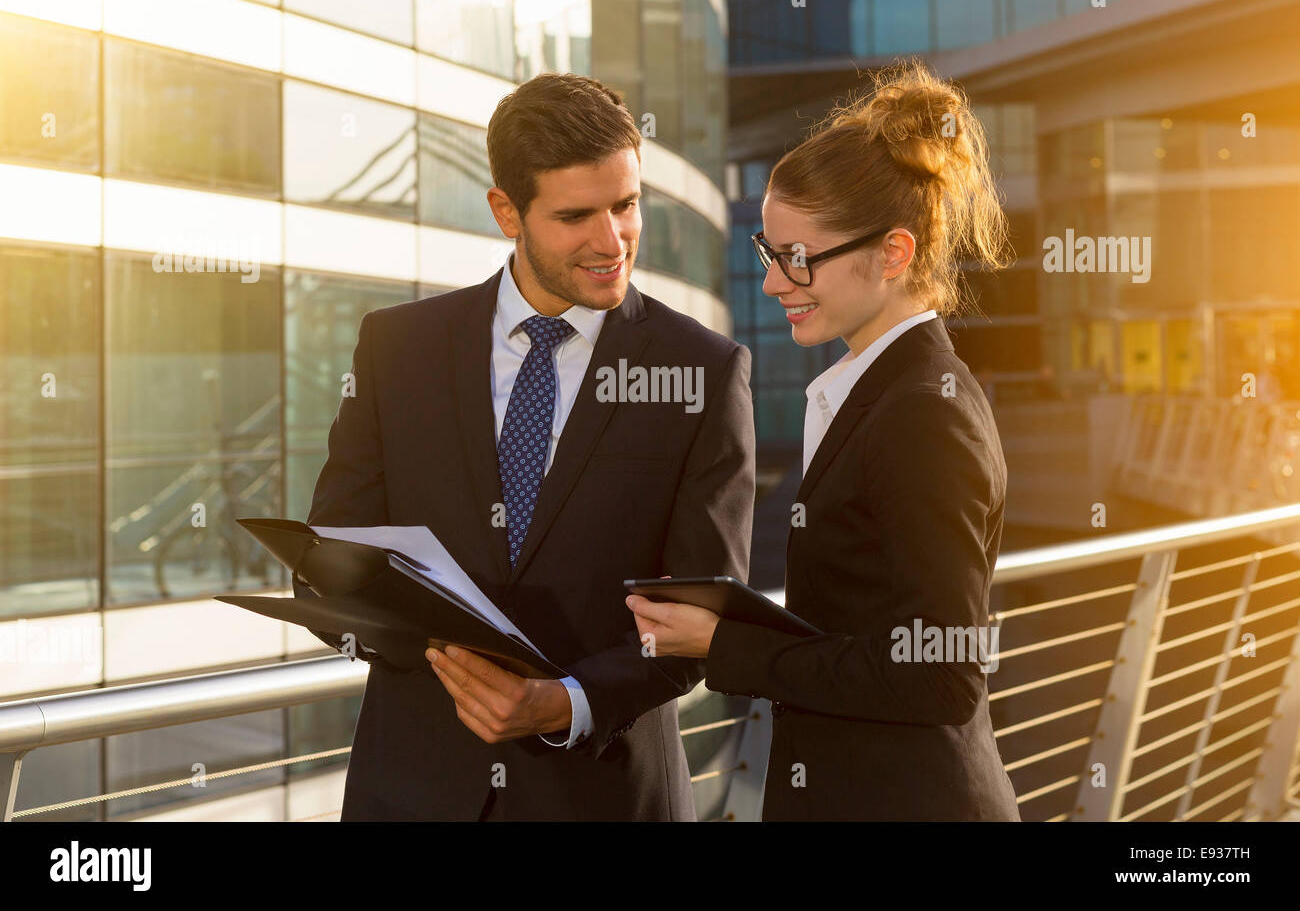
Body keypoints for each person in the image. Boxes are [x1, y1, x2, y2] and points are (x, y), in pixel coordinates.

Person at [295, 72, 755, 820]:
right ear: (506, 211)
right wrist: (413, 634)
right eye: (576, 216)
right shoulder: (397, 348)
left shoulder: (703, 370)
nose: (612, 241)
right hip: (412, 794)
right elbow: (333, 561)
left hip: (604, 799)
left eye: (625, 205)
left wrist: (567, 701)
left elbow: (700, 621)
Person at [627, 58, 1021, 820]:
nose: (774, 282)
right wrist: (729, 620)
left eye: (799, 259)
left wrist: (724, 645)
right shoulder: (879, 391)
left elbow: (942, 675)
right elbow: (864, 620)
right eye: (769, 253)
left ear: (894, 254)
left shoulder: (923, 414)